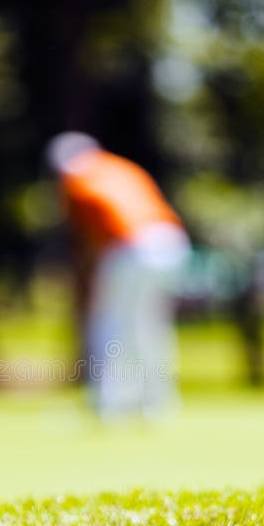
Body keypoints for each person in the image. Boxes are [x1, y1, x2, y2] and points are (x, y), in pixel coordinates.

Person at [46, 132, 190, 418]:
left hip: (130, 247)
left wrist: (86, 286)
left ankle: (109, 403)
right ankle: (156, 402)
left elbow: (89, 241)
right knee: (149, 325)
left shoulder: (77, 181)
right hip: (171, 243)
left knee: (110, 325)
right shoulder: (122, 168)